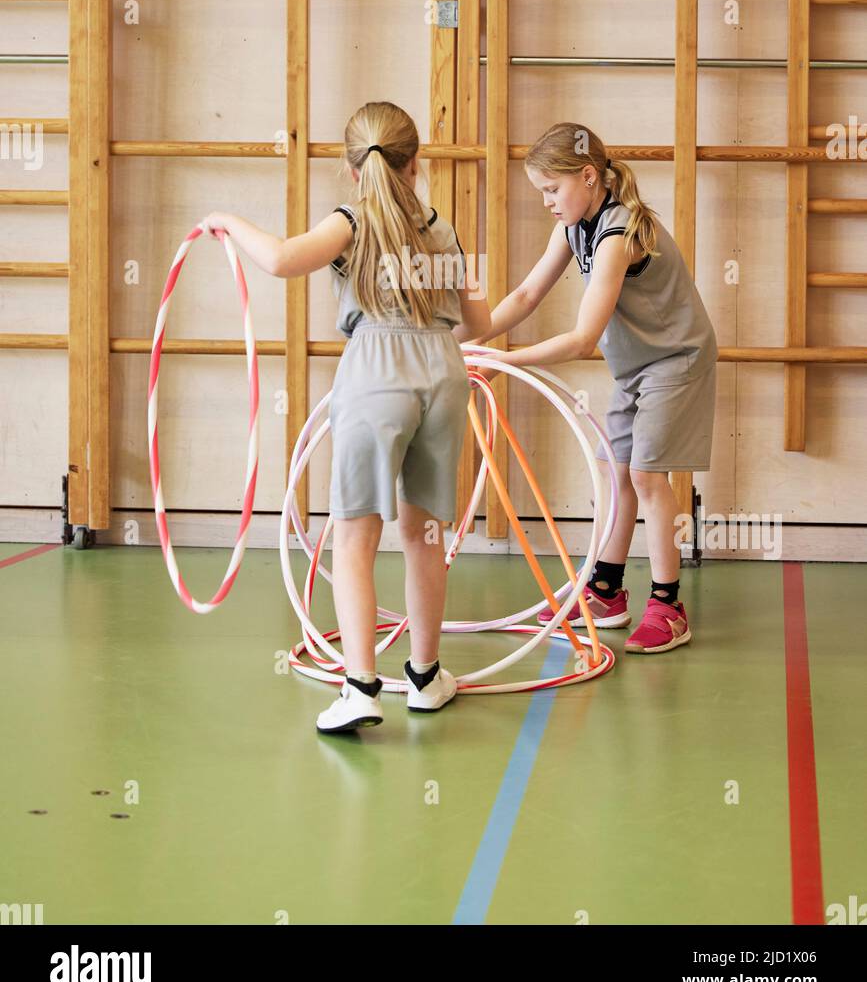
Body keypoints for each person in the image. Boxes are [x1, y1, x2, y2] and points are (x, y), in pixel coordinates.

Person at [203, 100, 490, 731]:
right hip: (444, 374)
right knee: (426, 535)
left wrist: (224, 217)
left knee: (355, 536)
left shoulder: (350, 223)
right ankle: (424, 677)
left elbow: (279, 260)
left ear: (352, 167)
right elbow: (480, 325)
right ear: (416, 163)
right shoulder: (445, 229)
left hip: (376, 373)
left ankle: (360, 687)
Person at [476, 122, 718, 654]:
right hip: (638, 367)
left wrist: (504, 361)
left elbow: (584, 338)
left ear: (588, 176)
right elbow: (524, 295)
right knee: (614, 472)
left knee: (650, 477)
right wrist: (464, 340)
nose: (546, 202)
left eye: (552, 189)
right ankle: (606, 590)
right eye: (540, 191)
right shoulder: (573, 226)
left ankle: (669, 606)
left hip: (677, 361)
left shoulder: (619, 233)